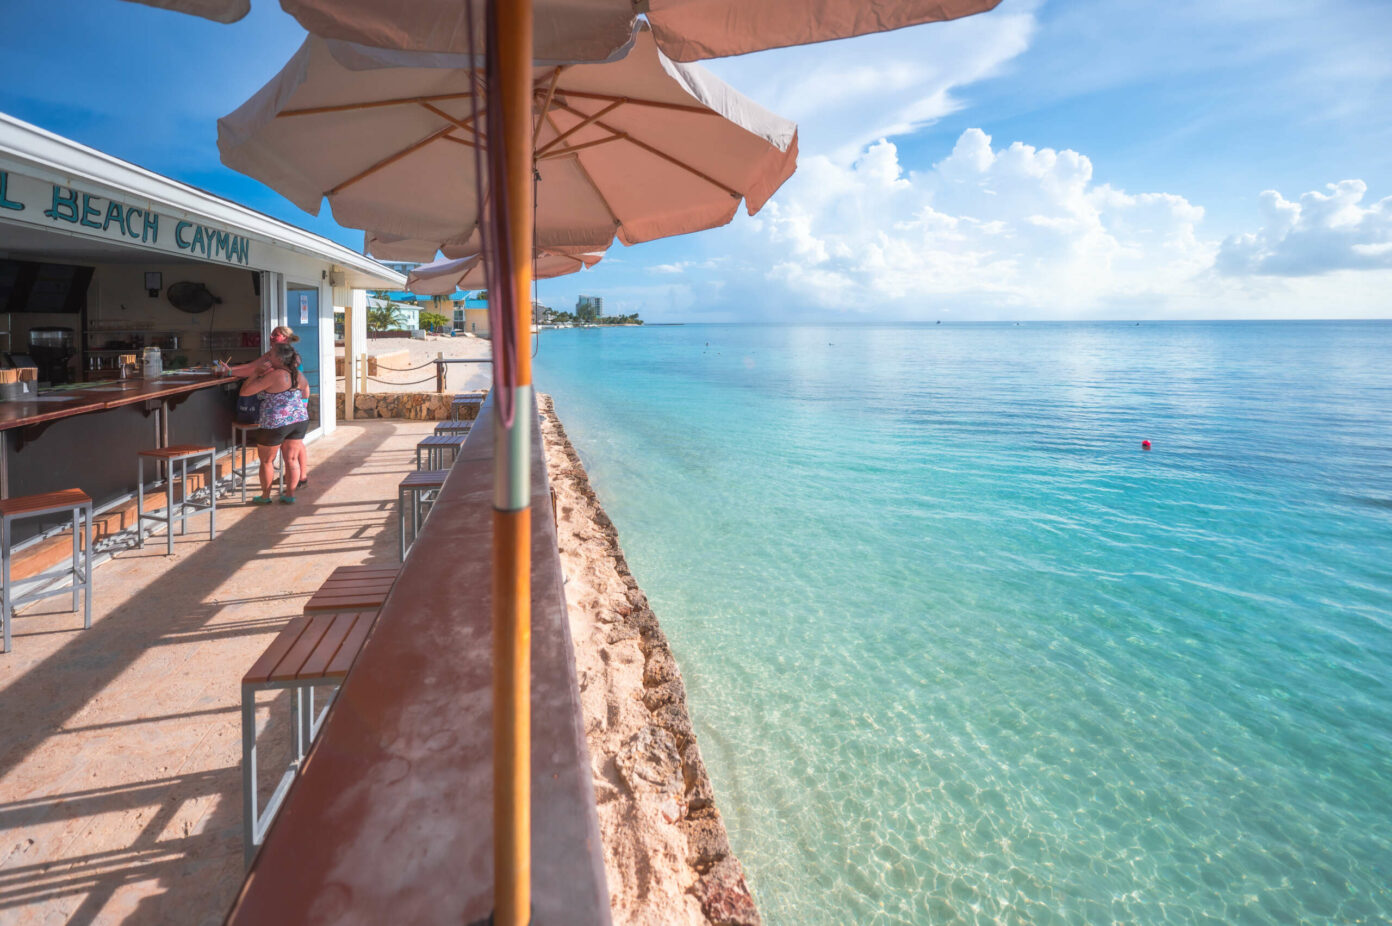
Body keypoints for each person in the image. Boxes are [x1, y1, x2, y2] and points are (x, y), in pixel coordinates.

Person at [240, 343, 309, 504]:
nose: (267, 357)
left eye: (270, 355)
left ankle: (265, 496)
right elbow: (306, 391)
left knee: (266, 461)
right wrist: (297, 407)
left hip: (275, 422)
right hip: (299, 420)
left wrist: (255, 373)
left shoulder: (275, 375)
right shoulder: (298, 375)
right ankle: (290, 495)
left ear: (279, 358)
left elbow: (245, 392)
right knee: (291, 460)